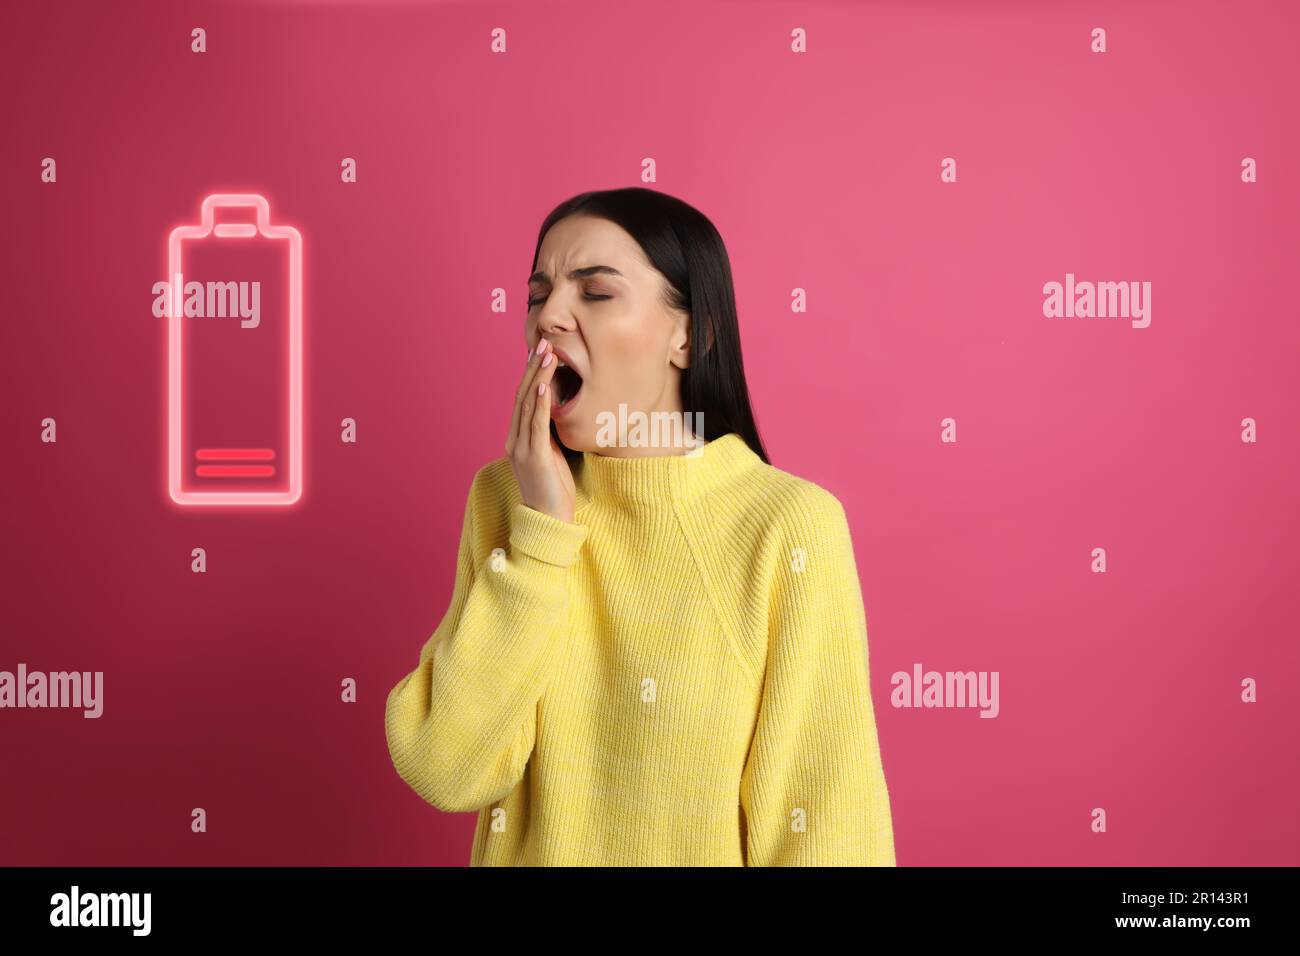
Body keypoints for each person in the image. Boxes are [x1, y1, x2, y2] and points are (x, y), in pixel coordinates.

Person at [384, 186, 896, 866]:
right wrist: (540, 537)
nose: (550, 318)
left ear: (691, 334)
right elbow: (446, 767)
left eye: (595, 294)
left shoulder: (787, 527)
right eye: (538, 295)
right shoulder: (508, 500)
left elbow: (828, 823)